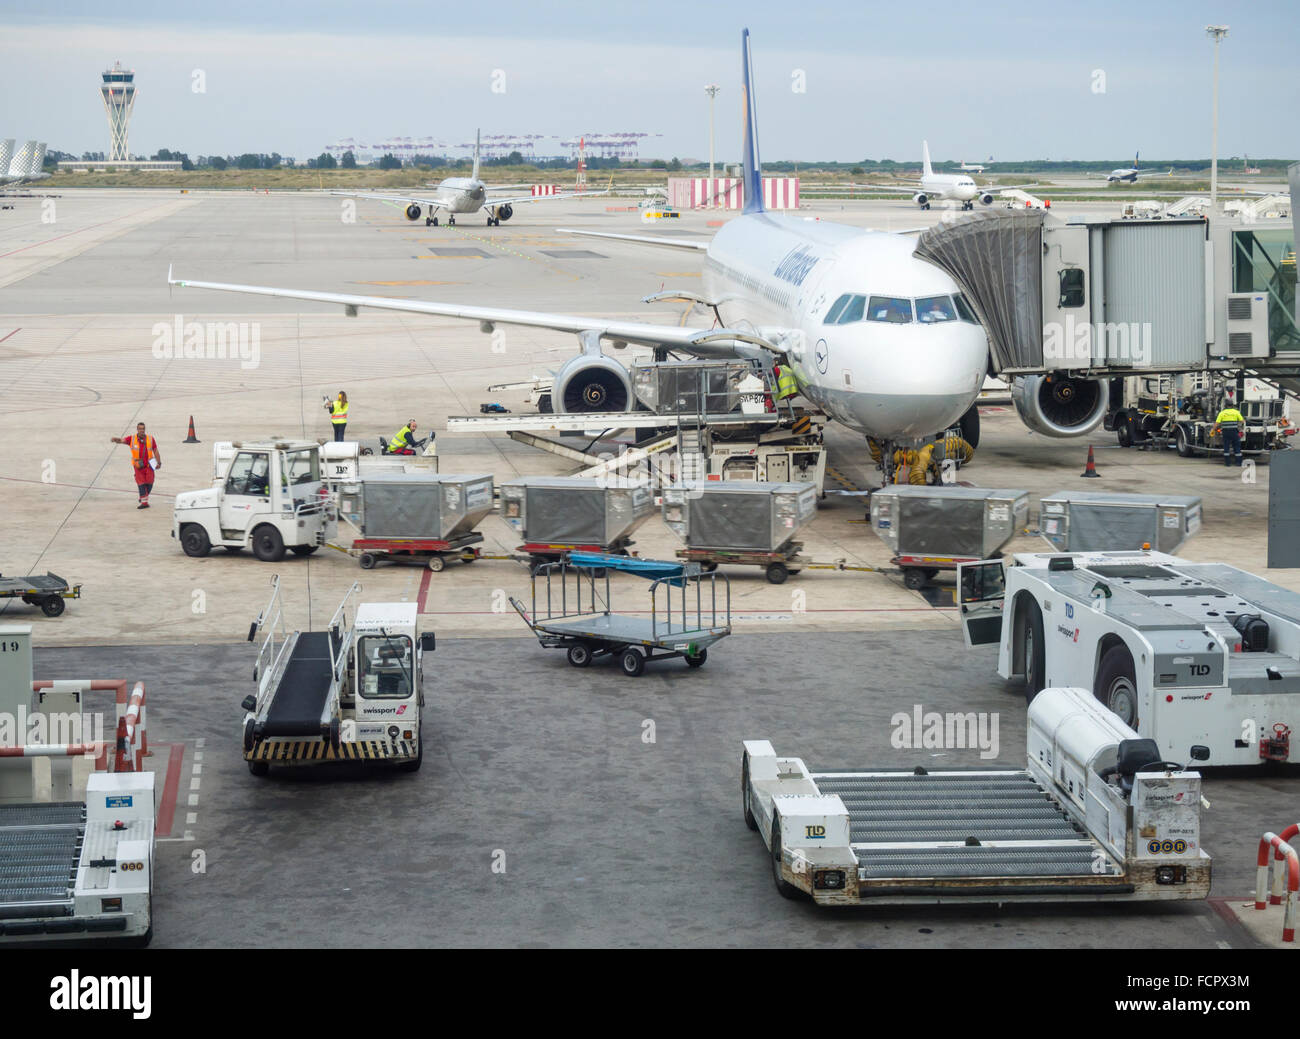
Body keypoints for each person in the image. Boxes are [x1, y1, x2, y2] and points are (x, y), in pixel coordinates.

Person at [111, 422, 162, 509]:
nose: (142, 430)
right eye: (140, 429)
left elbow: (155, 450)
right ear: (137, 429)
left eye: (143, 429)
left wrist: (159, 462)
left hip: (150, 465)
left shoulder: (150, 439)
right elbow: (122, 441)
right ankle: (144, 503)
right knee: (141, 483)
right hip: (138, 465)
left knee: (150, 483)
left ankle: (143, 497)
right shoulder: (132, 439)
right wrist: (116, 439)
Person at [1215, 402, 1245, 467]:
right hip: (1234, 432)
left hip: (1225, 432)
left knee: (1226, 447)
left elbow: (1217, 423)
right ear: (1232, 406)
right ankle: (1238, 463)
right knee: (1237, 447)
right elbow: (1242, 421)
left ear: (1225, 406)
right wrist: (1240, 427)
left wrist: (1213, 429)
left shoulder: (1222, 413)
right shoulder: (1236, 412)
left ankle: (1227, 463)